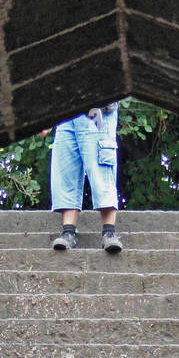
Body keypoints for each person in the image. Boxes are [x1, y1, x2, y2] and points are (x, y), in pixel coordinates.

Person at [46, 103, 123, 253]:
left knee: (102, 168)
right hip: (66, 112)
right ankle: (68, 232)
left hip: (97, 109)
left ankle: (109, 232)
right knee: (65, 170)